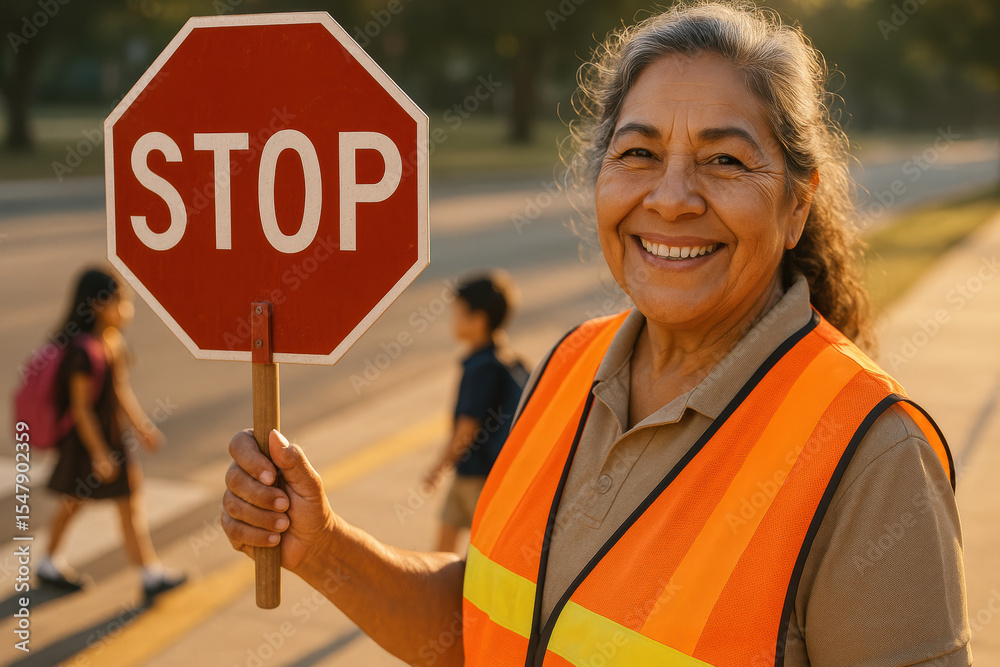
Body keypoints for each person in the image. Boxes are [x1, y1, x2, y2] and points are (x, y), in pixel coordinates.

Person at [221, 3, 970, 665]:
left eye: (726, 161)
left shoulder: (873, 455)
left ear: (797, 205)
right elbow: (486, 622)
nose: (671, 198)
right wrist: (319, 547)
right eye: (639, 153)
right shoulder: (568, 364)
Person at [39, 268, 187, 604]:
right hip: (89, 444)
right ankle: (51, 562)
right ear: (98, 304)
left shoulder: (110, 342)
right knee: (75, 503)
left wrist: (142, 428)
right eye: (122, 303)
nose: (128, 311)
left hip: (109, 441)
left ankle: (148, 572)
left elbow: (119, 391)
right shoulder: (81, 352)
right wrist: (99, 453)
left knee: (121, 503)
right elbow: (81, 409)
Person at [424, 274, 529, 553]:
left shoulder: (480, 369)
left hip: (478, 476)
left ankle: (453, 593)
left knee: (482, 548)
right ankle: (441, 590)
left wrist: (439, 466)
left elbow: (467, 427)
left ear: (478, 320)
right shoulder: (509, 360)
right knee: (448, 532)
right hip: (478, 471)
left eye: (458, 313)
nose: (453, 320)